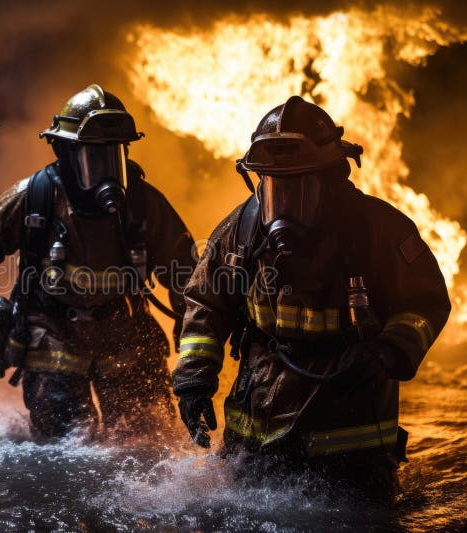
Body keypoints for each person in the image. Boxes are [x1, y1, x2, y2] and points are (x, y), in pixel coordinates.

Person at [173, 95, 451, 498]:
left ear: (332, 179)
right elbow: (205, 305)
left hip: (348, 436)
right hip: (258, 428)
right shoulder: (241, 229)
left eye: (298, 187)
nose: (282, 203)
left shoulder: (378, 229)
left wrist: (387, 351)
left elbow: (425, 302)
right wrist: (194, 382)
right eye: (273, 187)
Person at [0, 84, 195, 439]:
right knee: (66, 450)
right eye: (94, 159)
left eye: (115, 156)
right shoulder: (36, 197)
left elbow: (185, 269)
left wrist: (191, 325)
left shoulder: (142, 203)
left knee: (147, 442)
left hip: (126, 336)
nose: (108, 171)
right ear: (65, 152)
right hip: (54, 340)